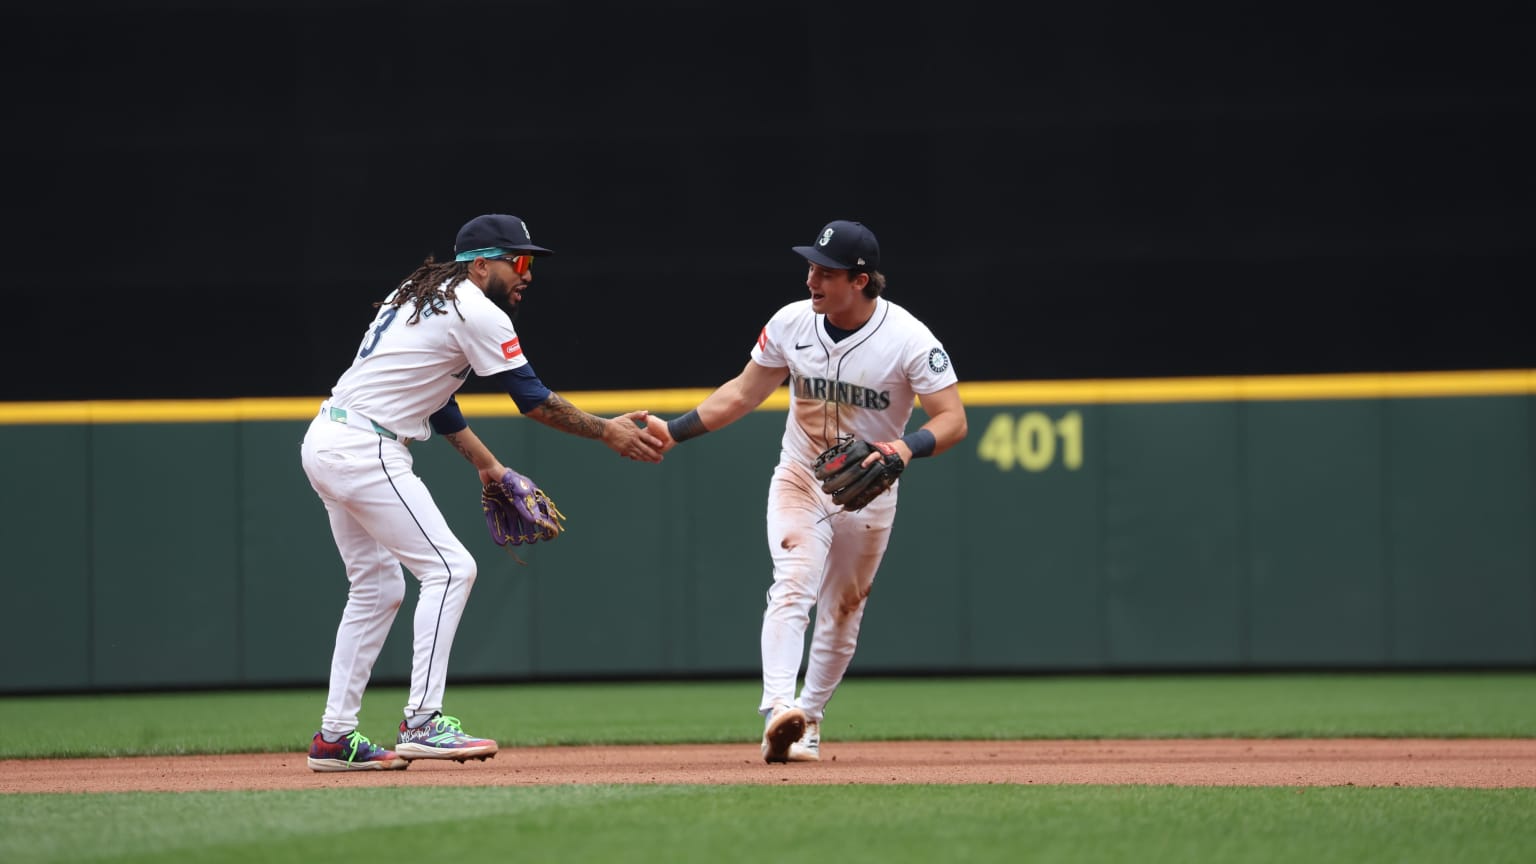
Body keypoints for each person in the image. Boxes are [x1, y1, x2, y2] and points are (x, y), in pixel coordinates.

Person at [300, 213, 663, 772]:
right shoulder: (478, 309)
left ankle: (334, 738)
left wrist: (488, 465)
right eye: (518, 261)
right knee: (451, 570)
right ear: (480, 266)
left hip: (329, 439)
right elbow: (534, 400)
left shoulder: (423, 294)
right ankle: (422, 721)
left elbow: (439, 401)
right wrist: (607, 431)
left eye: (530, 262)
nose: (527, 273)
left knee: (377, 588)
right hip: (365, 448)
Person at [651, 219, 968, 763]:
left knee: (844, 608)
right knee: (793, 581)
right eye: (811, 268)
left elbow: (953, 419)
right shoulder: (791, 322)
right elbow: (744, 392)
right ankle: (778, 710)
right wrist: (675, 432)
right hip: (800, 473)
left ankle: (809, 719)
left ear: (860, 280)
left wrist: (904, 448)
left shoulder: (910, 338)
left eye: (826, 272)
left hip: (869, 486)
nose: (811, 280)